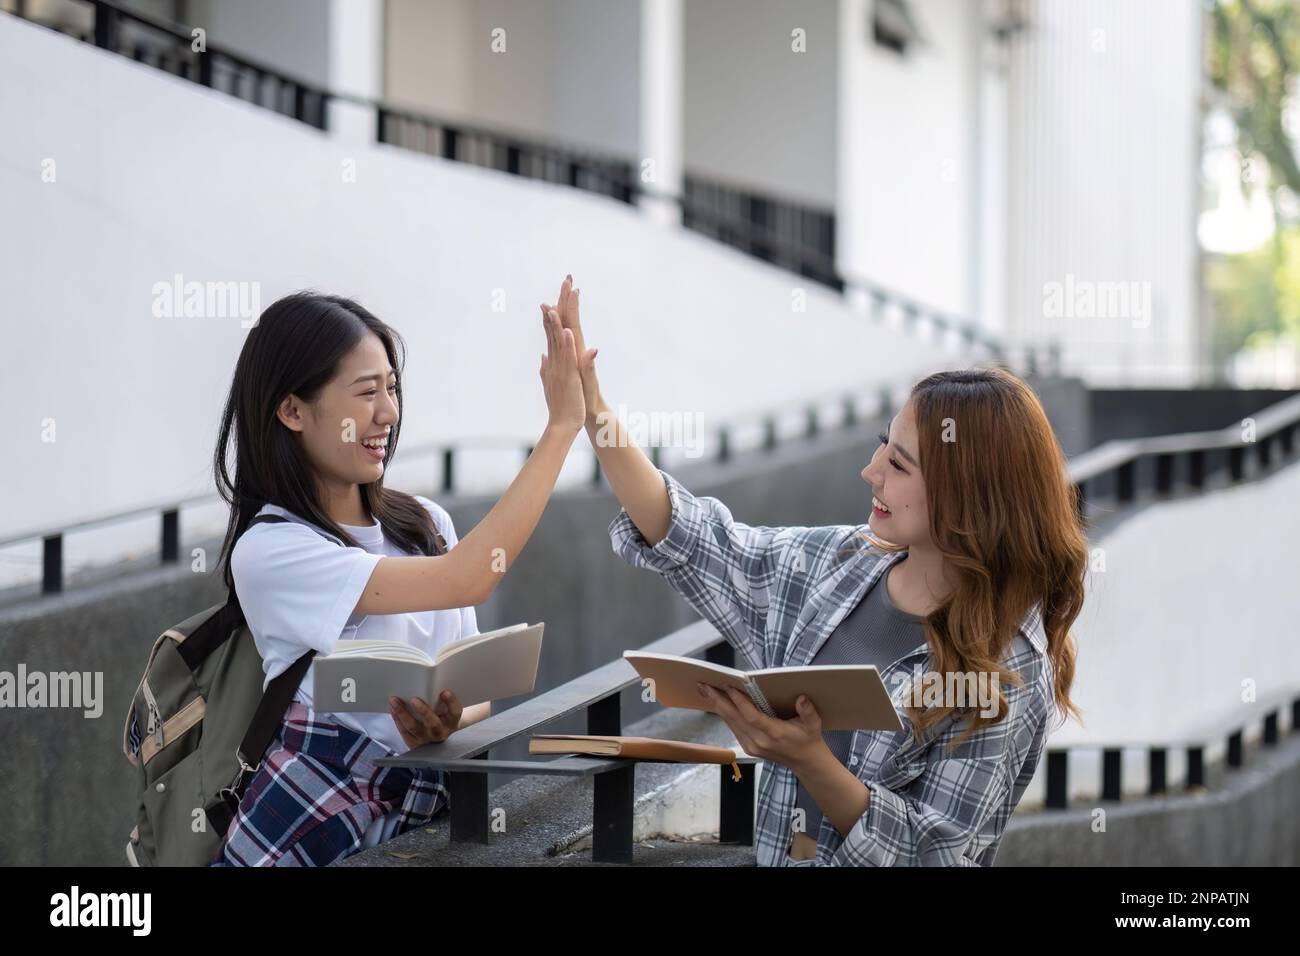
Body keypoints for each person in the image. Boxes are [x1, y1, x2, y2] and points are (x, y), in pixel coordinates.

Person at [546, 275, 1087, 866]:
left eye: (899, 465)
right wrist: (591, 410)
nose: (871, 470)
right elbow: (694, 537)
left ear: (968, 498)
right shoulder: (844, 563)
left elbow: (938, 855)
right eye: (884, 444)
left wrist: (809, 759)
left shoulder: (1007, 666)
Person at [209, 291, 588, 865]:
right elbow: (468, 579)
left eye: (391, 387)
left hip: (416, 811)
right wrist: (561, 430)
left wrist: (449, 718)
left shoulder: (426, 526)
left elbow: (475, 690)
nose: (387, 412)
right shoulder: (271, 549)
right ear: (292, 411)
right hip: (306, 825)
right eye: (365, 392)